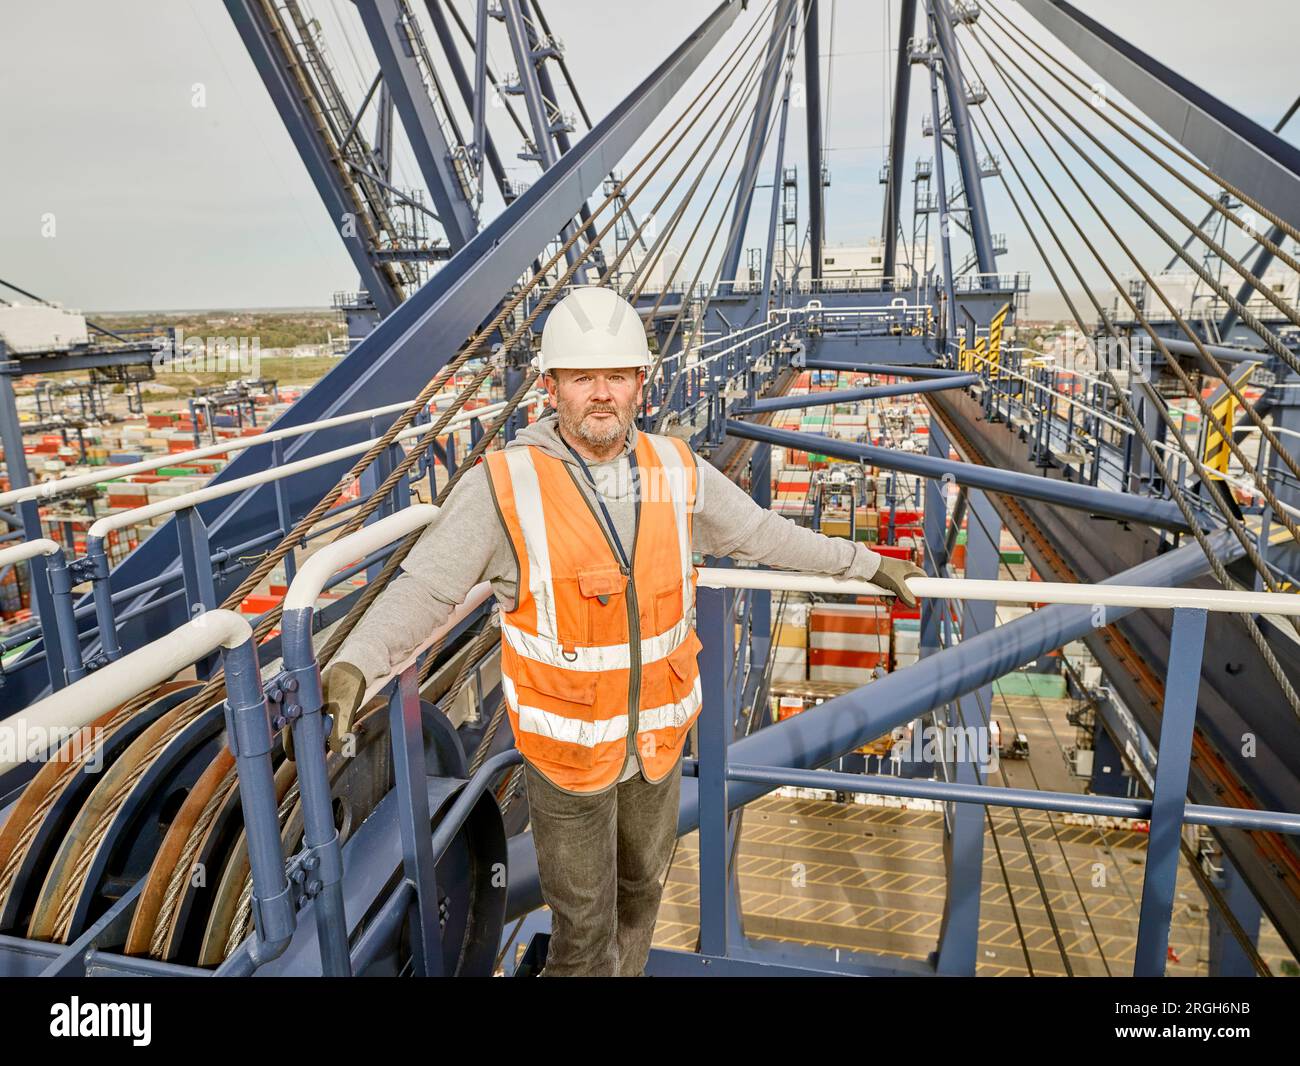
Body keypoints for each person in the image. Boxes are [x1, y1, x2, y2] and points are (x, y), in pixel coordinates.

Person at [321, 285, 924, 976]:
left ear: (641, 382)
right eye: (582, 378)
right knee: (582, 932)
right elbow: (426, 588)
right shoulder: (505, 485)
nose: (600, 394)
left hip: (658, 749)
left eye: (616, 376)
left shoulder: (675, 469)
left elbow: (761, 534)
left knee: (641, 897)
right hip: (568, 760)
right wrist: (355, 666)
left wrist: (866, 561)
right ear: (552, 388)